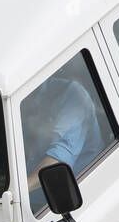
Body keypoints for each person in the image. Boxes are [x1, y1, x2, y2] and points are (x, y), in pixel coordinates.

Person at [22, 71, 108, 209]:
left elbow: (58, 160)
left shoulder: (71, 95)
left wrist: (18, 191)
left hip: (79, 196)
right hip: (31, 202)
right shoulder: (14, 101)